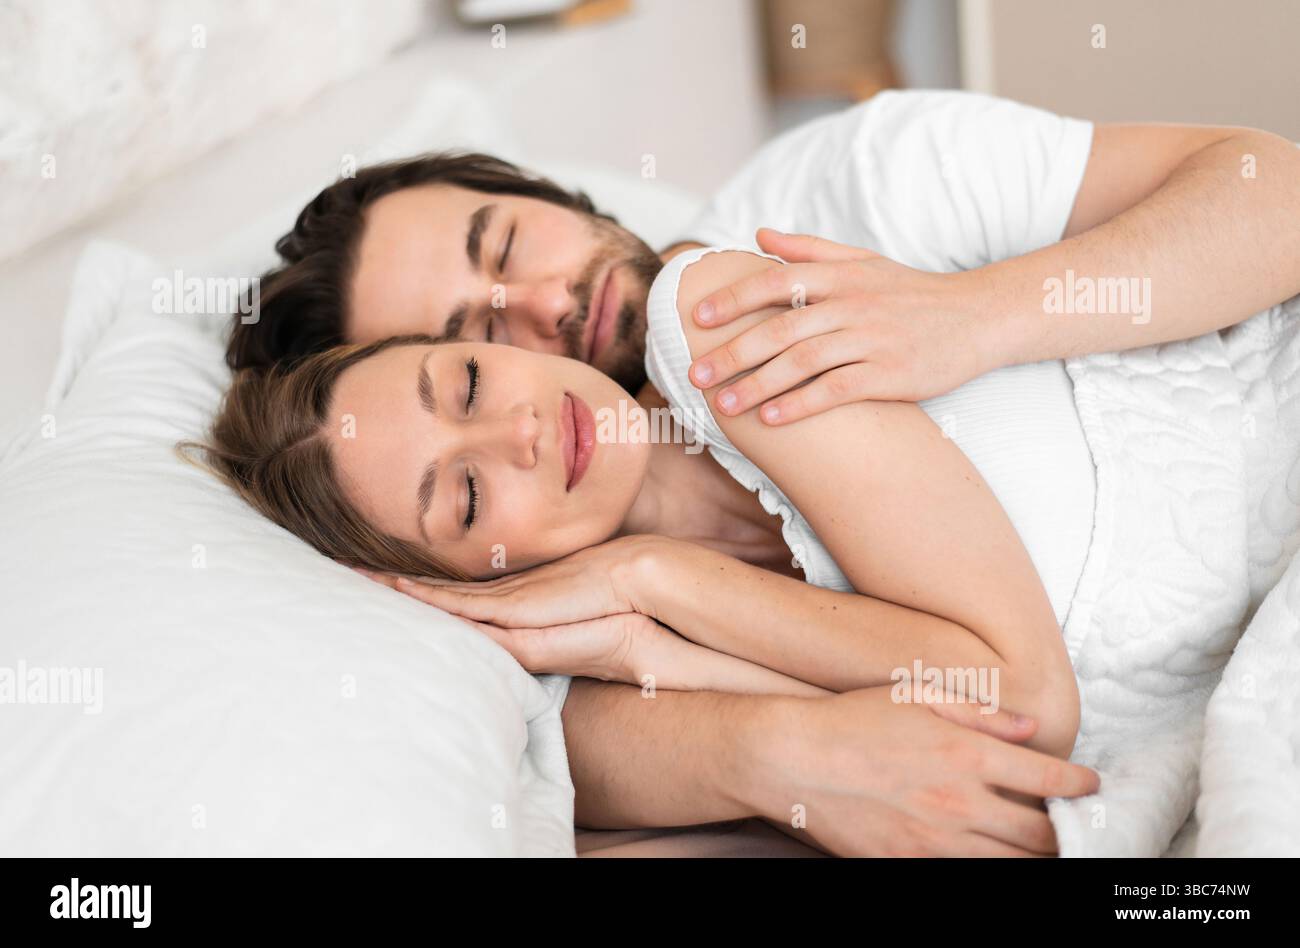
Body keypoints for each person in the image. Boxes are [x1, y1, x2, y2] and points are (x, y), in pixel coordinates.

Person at [220, 90, 1300, 855]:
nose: (519, 427)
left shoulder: (731, 300)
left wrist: (975, 317)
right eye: (461, 495)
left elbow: (1278, 193)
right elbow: (976, 732)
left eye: (504, 256)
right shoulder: (584, 657)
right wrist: (654, 624)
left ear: (547, 194)